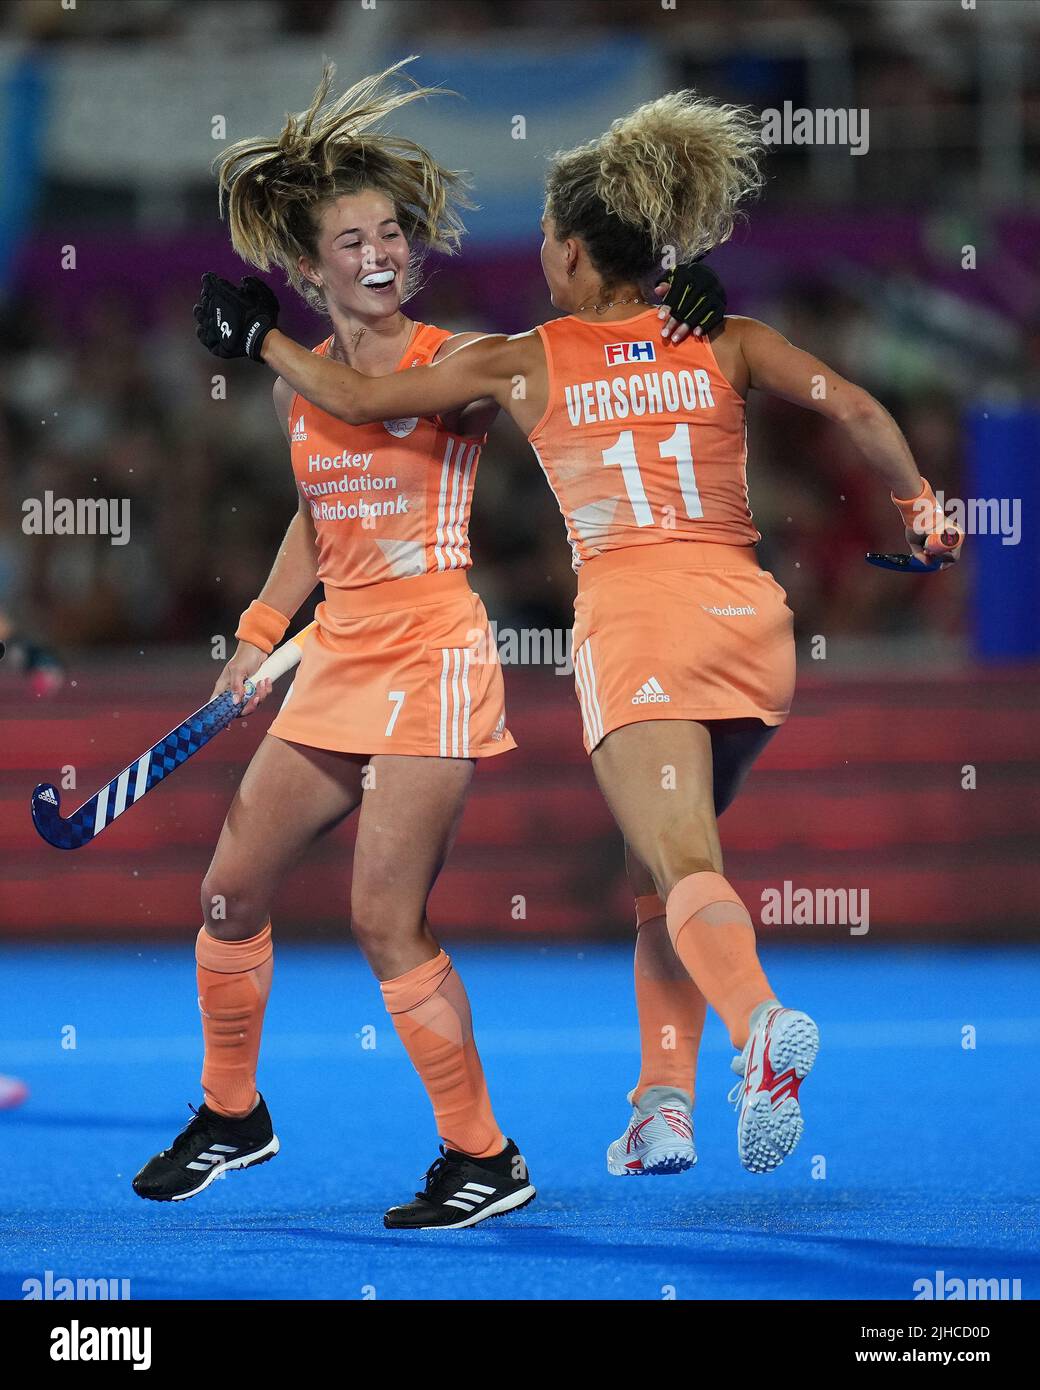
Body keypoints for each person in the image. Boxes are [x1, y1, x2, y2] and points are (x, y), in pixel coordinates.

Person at [202, 87, 963, 1178]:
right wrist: (924, 508)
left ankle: (758, 1029)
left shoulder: (526, 357)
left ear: (564, 250)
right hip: (748, 627)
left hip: (638, 625)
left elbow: (360, 405)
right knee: (658, 865)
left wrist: (259, 337)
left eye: (547, 246)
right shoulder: (728, 335)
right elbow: (848, 403)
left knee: (681, 857)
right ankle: (661, 1102)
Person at [133, 62, 540, 1230]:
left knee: (382, 918)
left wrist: (262, 342)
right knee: (228, 893)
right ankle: (230, 1115)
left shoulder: (456, 361)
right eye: (349, 239)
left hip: (435, 656)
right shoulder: (291, 389)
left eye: (392, 232)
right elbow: (319, 512)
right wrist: (260, 631)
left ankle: (483, 1155)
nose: (379, 251)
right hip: (337, 653)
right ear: (309, 267)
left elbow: (364, 411)